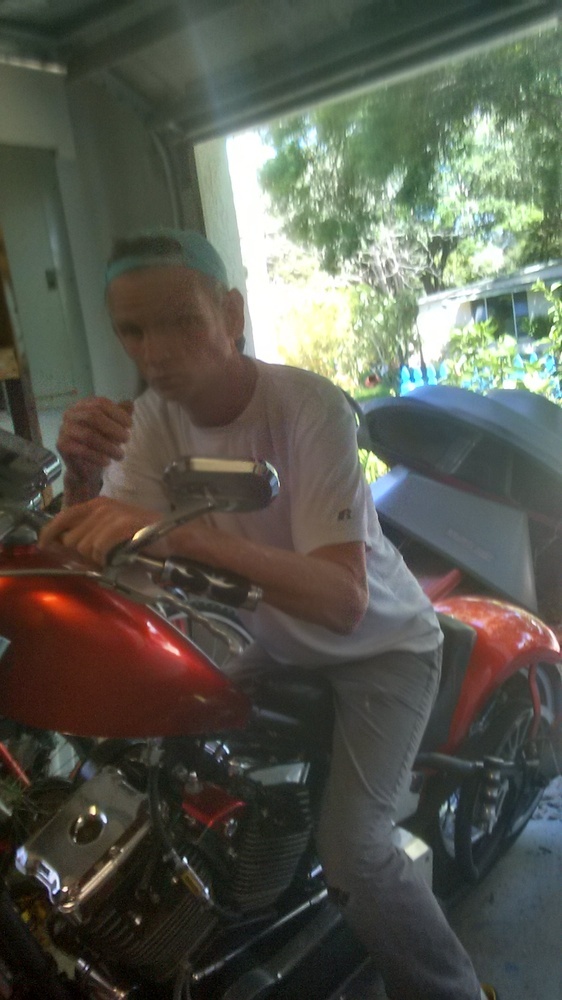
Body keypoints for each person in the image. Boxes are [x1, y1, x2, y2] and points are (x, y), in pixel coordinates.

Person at [40, 229, 497, 1000]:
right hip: (263, 639)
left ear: (231, 313)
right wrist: (81, 482)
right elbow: (110, 563)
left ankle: (452, 989)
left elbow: (342, 600)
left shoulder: (306, 407)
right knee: (149, 770)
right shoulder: (149, 421)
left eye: (181, 322)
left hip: (380, 648)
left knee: (357, 855)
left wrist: (178, 533)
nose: (155, 353)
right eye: (133, 330)